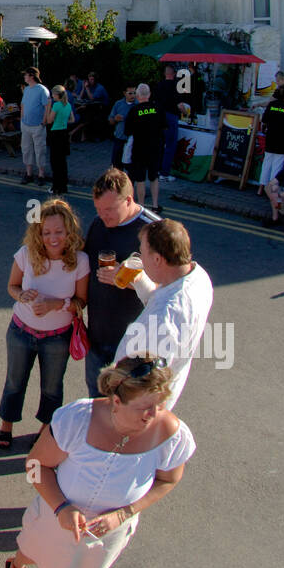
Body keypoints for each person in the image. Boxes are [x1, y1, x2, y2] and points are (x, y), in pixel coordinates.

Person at [0, 359, 195, 568]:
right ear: (116, 401)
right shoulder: (77, 419)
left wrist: (124, 514)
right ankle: (17, 566)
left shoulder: (171, 435)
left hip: (109, 530)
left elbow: (168, 480)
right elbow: (35, 466)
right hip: (55, 516)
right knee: (32, 550)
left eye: (160, 405)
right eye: (144, 407)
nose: (153, 414)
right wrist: (62, 508)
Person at [0, 198, 88, 450]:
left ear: (69, 231)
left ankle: (45, 430)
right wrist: (20, 295)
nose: (53, 238)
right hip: (21, 332)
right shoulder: (26, 254)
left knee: (51, 387)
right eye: (46, 232)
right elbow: (12, 287)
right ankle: (6, 425)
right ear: (38, 233)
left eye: (59, 231)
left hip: (57, 337)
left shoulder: (80, 261)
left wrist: (56, 304)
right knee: (14, 381)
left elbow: (81, 303)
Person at [114, 218, 213, 409]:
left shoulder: (165, 317)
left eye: (142, 253)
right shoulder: (199, 276)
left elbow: (145, 379)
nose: (140, 260)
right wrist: (142, 284)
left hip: (136, 407)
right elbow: (163, 298)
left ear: (158, 259)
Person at [82, 168, 159, 398]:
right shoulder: (98, 223)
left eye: (109, 210)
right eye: (98, 209)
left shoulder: (154, 230)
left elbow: (168, 289)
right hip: (96, 339)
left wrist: (131, 280)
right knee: (96, 403)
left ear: (129, 199)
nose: (103, 216)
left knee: (126, 408)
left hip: (132, 347)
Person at [123, 83, 166, 210]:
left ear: (137, 96)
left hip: (139, 149)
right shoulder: (158, 108)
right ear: (149, 94)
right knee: (154, 177)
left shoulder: (134, 111)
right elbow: (164, 127)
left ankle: (141, 205)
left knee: (140, 178)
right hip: (155, 148)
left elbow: (127, 132)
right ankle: (155, 204)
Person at [259, 85, 284, 196]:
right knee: (277, 166)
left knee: (266, 163)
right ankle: (271, 191)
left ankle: (261, 188)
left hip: (270, 138)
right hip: (283, 141)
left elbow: (264, 121)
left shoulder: (271, 105)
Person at [20, 67, 50, 187]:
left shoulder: (42, 90)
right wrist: (22, 118)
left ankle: (41, 175)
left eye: (26, 75)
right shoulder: (27, 89)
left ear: (32, 76)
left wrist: (44, 121)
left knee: (40, 150)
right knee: (26, 149)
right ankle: (29, 174)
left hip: (38, 125)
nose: (24, 77)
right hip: (26, 124)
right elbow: (23, 104)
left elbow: (47, 105)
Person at [43, 85, 75, 195]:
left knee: (55, 162)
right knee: (62, 162)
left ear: (57, 95)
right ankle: (63, 186)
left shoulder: (56, 105)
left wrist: (48, 108)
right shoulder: (68, 105)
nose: (52, 96)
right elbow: (72, 119)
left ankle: (56, 187)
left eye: (53, 94)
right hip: (64, 133)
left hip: (56, 134)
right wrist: (63, 121)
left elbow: (49, 120)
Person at [155, 64, 185, 181]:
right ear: (174, 74)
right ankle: (165, 172)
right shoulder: (175, 86)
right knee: (170, 145)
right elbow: (180, 105)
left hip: (159, 116)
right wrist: (186, 112)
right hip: (171, 116)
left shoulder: (158, 85)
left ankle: (157, 169)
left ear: (165, 74)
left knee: (160, 144)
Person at [108, 85, 136, 170]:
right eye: (130, 93)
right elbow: (110, 120)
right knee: (116, 166)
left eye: (134, 93)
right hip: (120, 138)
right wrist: (115, 119)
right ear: (124, 93)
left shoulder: (138, 105)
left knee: (131, 167)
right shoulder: (118, 104)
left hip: (132, 140)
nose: (133, 95)